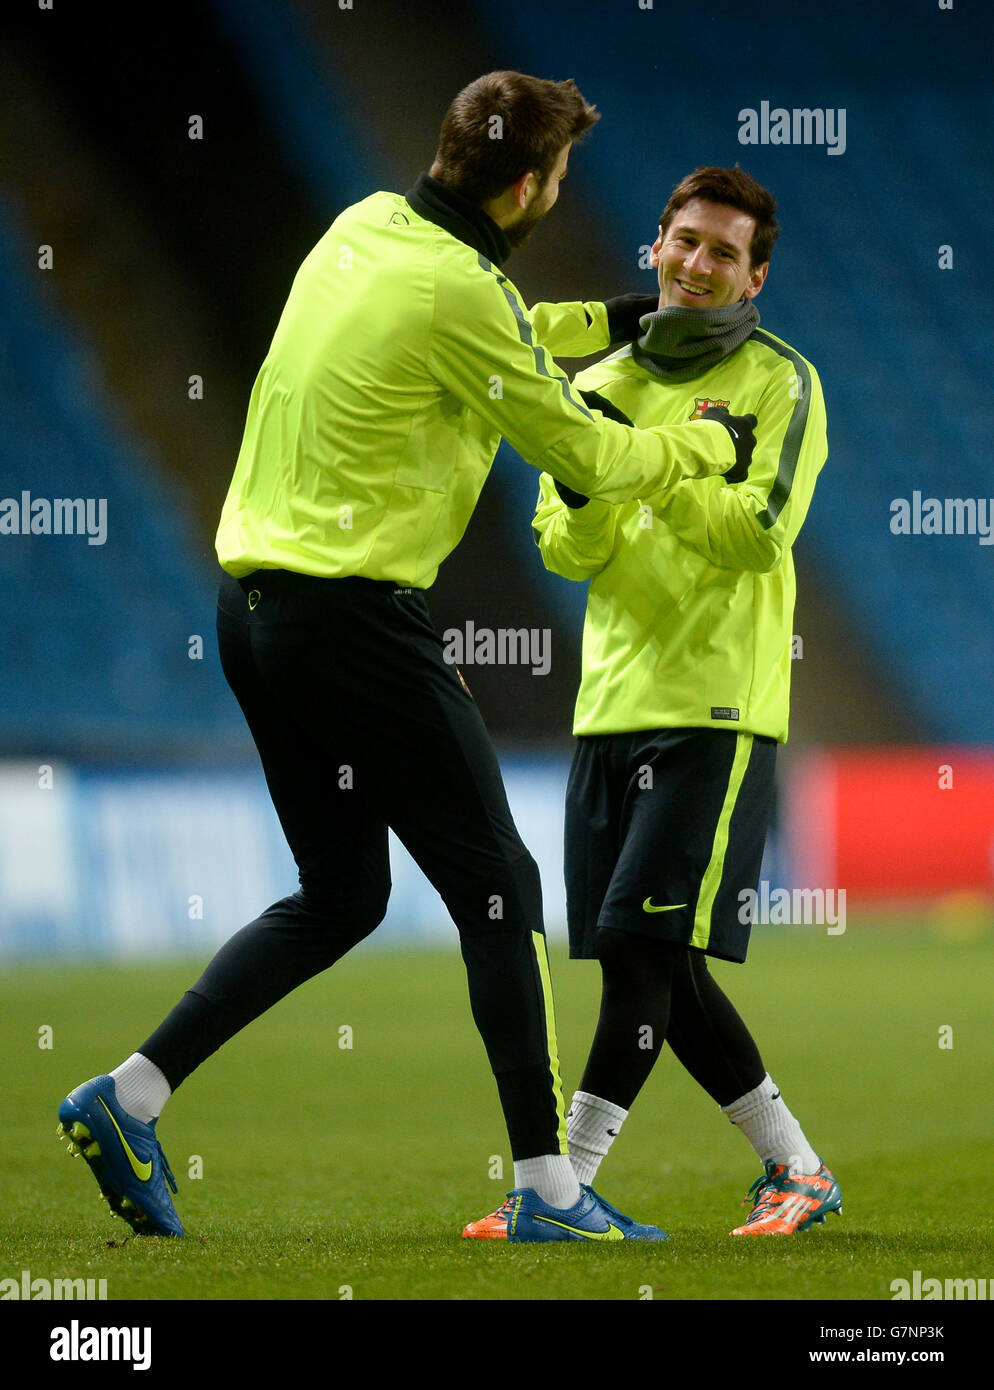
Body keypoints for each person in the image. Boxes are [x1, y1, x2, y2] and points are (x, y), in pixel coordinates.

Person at [56, 78, 758, 1244]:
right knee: (503, 891)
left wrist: (613, 318)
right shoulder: (467, 295)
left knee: (343, 894)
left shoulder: (362, 227)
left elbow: (485, 337)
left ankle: (128, 1096)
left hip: (252, 610)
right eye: (561, 180)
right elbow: (583, 447)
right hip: (352, 621)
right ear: (531, 186)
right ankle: (547, 1187)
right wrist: (702, 443)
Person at [464, 166, 840, 1241]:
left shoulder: (783, 383)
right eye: (683, 240)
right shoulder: (598, 381)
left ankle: (557, 1189)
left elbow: (754, 531)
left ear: (753, 273)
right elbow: (564, 545)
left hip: (715, 707)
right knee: (652, 960)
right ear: (655, 247)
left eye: (723, 251)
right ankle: (797, 1170)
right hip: (609, 704)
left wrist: (645, 467)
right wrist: (627, 471)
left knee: (638, 951)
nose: (696, 262)